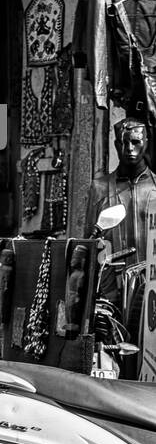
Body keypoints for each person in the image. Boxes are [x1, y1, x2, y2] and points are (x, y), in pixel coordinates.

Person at [85, 117, 155, 373]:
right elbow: (87, 246)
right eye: (124, 143)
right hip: (111, 292)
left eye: (136, 142)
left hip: (150, 288)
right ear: (115, 144)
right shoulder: (100, 188)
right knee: (113, 364)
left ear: (146, 143)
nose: (130, 149)